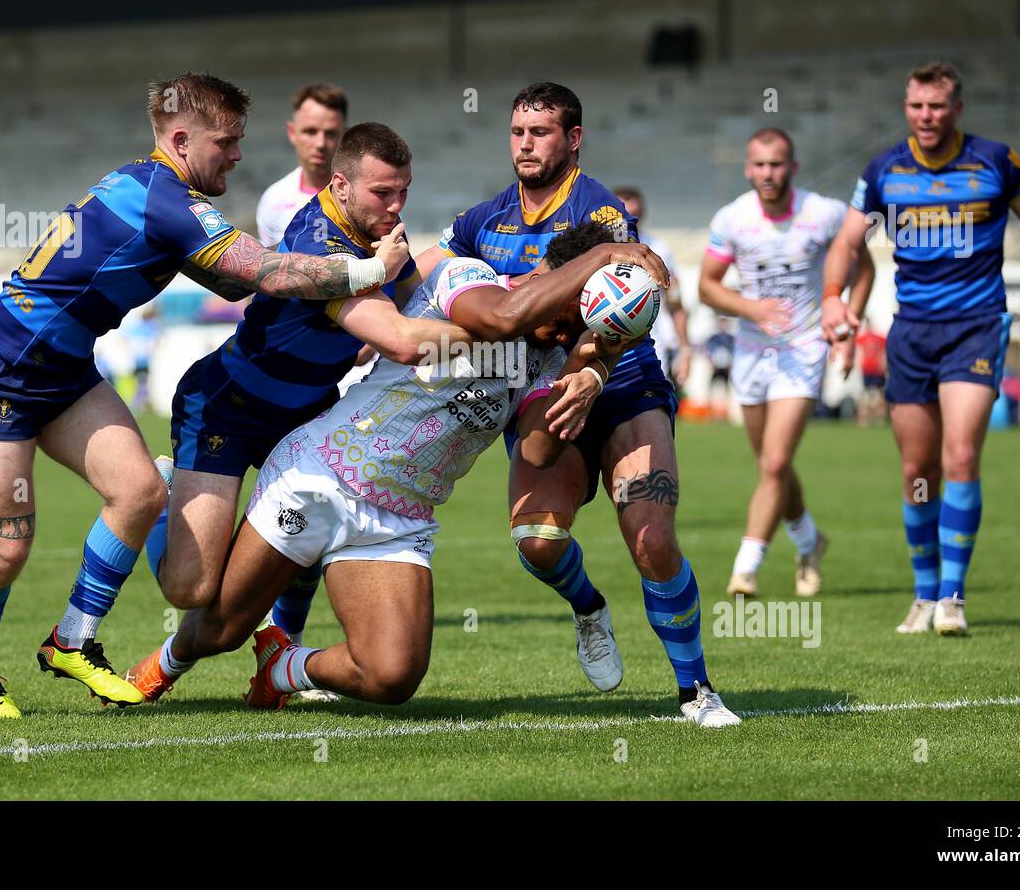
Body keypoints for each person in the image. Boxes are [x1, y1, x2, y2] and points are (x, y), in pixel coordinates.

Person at [129, 224, 738, 726]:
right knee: (221, 626)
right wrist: (608, 251)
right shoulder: (467, 276)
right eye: (569, 317)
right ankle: (164, 656)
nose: (564, 333)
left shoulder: (552, 356)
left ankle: (284, 668)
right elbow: (500, 319)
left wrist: (584, 374)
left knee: (391, 676)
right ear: (555, 281)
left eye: (580, 328)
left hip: (399, 517)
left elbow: (536, 452)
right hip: (322, 475)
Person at [0, 72, 409, 718]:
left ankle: (71, 640)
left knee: (138, 492)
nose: (238, 154)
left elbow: (237, 284)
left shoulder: (158, 190)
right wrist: (368, 269)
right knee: (8, 545)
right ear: (183, 139)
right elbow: (258, 271)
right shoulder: (165, 198)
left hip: (65, 371)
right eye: (228, 141)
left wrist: (291, 267)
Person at [265, 81, 723, 718]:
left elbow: (630, 298)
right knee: (537, 540)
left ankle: (695, 690)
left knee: (649, 537)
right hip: (534, 384)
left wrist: (591, 374)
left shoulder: (603, 216)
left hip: (618, 384)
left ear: (574, 139)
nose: (526, 144)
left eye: (540, 132)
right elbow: (431, 267)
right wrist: (368, 310)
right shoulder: (487, 218)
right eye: (517, 132)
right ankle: (589, 607)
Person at [142, 124, 468, 628]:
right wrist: (497, 330)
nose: (396, 205)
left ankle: (281, 652)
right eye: (383, 193)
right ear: (341, 186)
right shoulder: (320, 240)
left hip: (304, 412)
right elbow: (402, 339)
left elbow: (406, 300)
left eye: (404, 191)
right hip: (230, 408)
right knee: (193, 590)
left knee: (309, 530)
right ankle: (163, 496)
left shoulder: (381, 235)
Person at [821, 62, 1020, 636]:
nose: (927, 116)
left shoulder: (997, 162)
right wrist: (830, 296)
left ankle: (952, 597)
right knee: (917, 469)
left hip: (976, 325)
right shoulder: (884, 171)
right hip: (911, 332)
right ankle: (923, 594)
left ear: (957, 110)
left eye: (938, 106)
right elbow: (848, 240)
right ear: (906, 108)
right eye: (917, 105)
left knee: (961, 456)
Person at [699, 127, 867, 598]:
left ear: (793, 167)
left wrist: (847, 326)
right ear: (748, 168)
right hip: (751, 351)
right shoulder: (732, 218)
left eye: (777, 164)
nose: (768, 173)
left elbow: (864, 267)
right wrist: (752, 309)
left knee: (774, 463)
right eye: (759, 164)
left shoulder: (826, 214)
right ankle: (811, 542)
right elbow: (707, 286)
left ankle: (745, 569)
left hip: (805, 349)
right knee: (773, 465)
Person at [612, 186, 692, 389]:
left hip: (650, 346)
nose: (628, 223)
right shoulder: (594, 249)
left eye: (635, 216)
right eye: (622, 216)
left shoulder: (658, 250)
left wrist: (685, 349)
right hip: (602, 343)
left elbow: (675, 299)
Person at [255, 83, 348, 248]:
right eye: (310, 132)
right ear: (292, 132)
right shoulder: (273, 200)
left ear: (345, 136)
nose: (320, 143)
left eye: (331, 133)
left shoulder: (366, 196)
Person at [856, 318, 888, 425]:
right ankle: (867, 420)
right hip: (868, 370)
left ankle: (877, 420)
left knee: (877, 396)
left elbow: (883, 353)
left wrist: (883, 365)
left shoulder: (879, 338)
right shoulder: (863, 338)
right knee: (868, 396)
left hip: (875, 370)